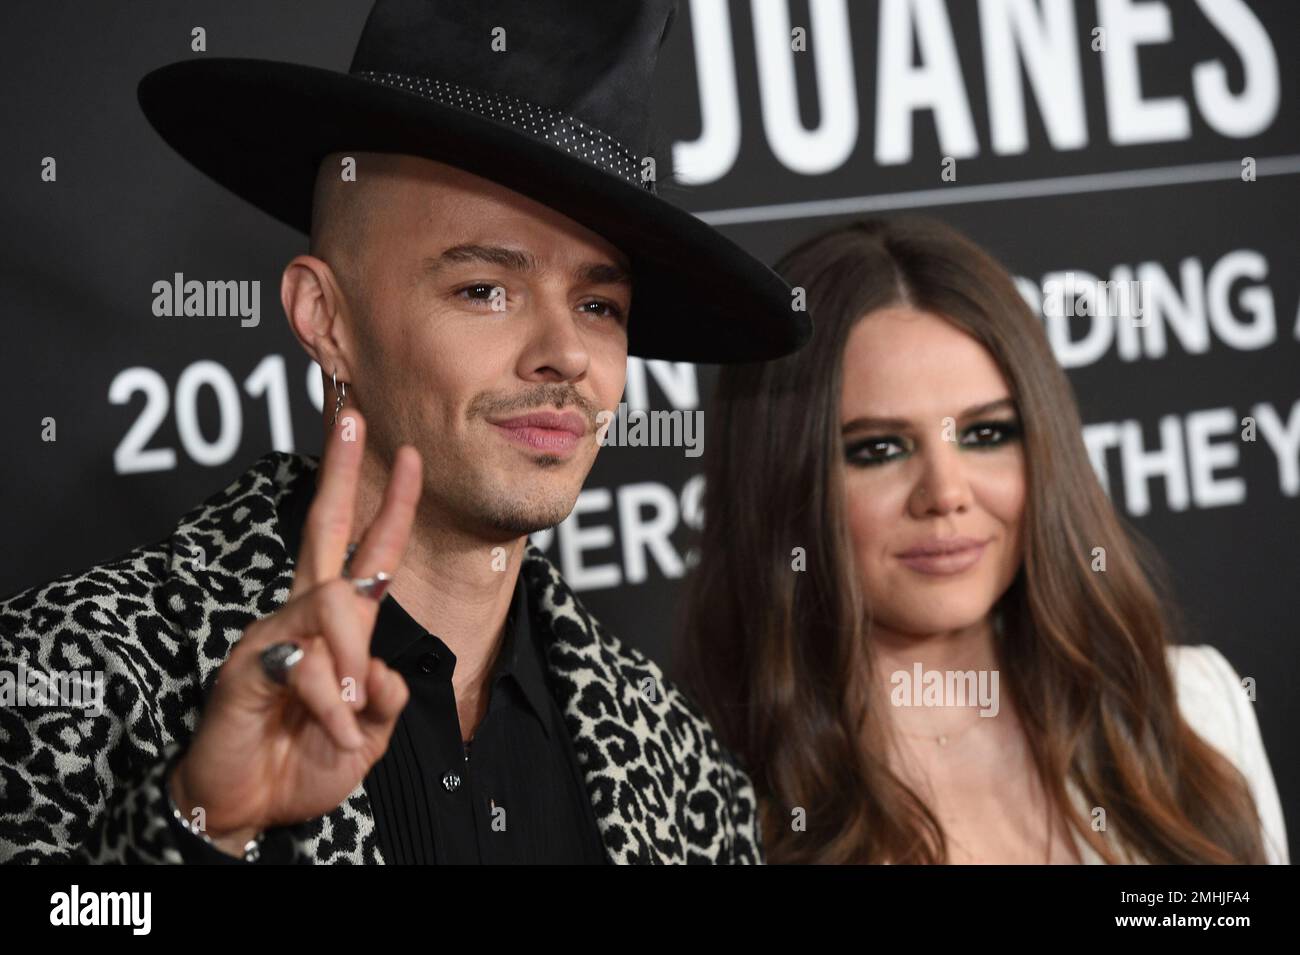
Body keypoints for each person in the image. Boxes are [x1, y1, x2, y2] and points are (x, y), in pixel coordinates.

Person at [0, 0, 808, 864]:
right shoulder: (63, 675)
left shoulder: (686, 778)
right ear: (325, 316)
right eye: (484, 290)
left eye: (599, 305)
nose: (567, 354)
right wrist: (199, 823)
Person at [678, 216, 1288, 864]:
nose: (946, 491)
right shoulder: (713, 800)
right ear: (781, 478)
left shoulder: (1191, 710)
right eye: (879, 448)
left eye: (987, 433)